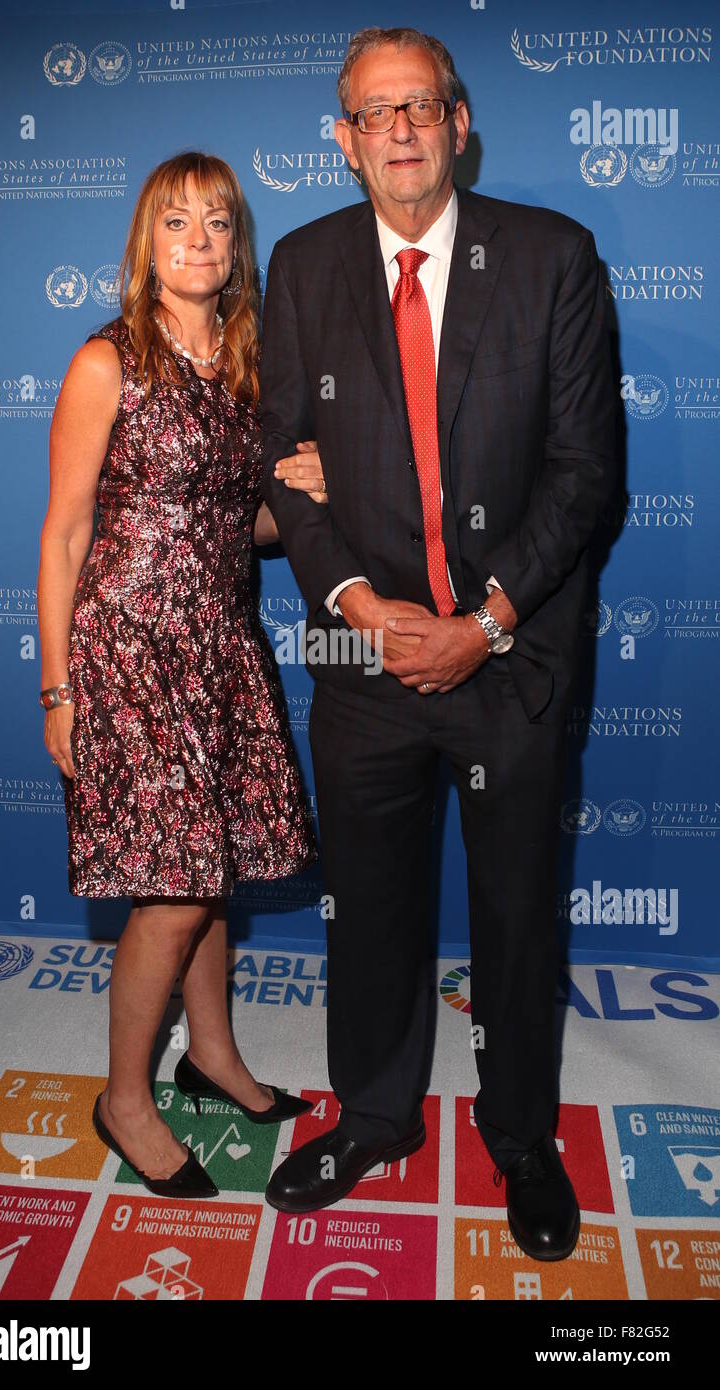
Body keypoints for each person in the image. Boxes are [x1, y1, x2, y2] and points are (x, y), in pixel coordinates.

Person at [258, 27, 616, 1259]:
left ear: (458, 122)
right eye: (373, 112)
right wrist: (361, 606)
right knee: (368, 909)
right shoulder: (300, 268)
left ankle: (519, 1135)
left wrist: (482, 623)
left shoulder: (553, 257)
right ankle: (373, 1114)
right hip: (364, 665)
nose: (398, 129)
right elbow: (286, 474)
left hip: (507, 656)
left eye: (420, 106)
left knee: (517, 913)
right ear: (344, 138)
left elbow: (584, 475)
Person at [37, 151, 324, 1198]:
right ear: (145, 244)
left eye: (215, 222)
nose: (197, 239)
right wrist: (60, 688)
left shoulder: (248, 365)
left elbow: (236, 525)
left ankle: (213, 1055)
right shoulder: (108, 361)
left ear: (234, 242)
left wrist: (300, 494)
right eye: (175, 222)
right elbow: (65, 533)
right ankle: (124, 1096)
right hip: (127, 649)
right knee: (172, 888)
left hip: (222, 645)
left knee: (215, 873)